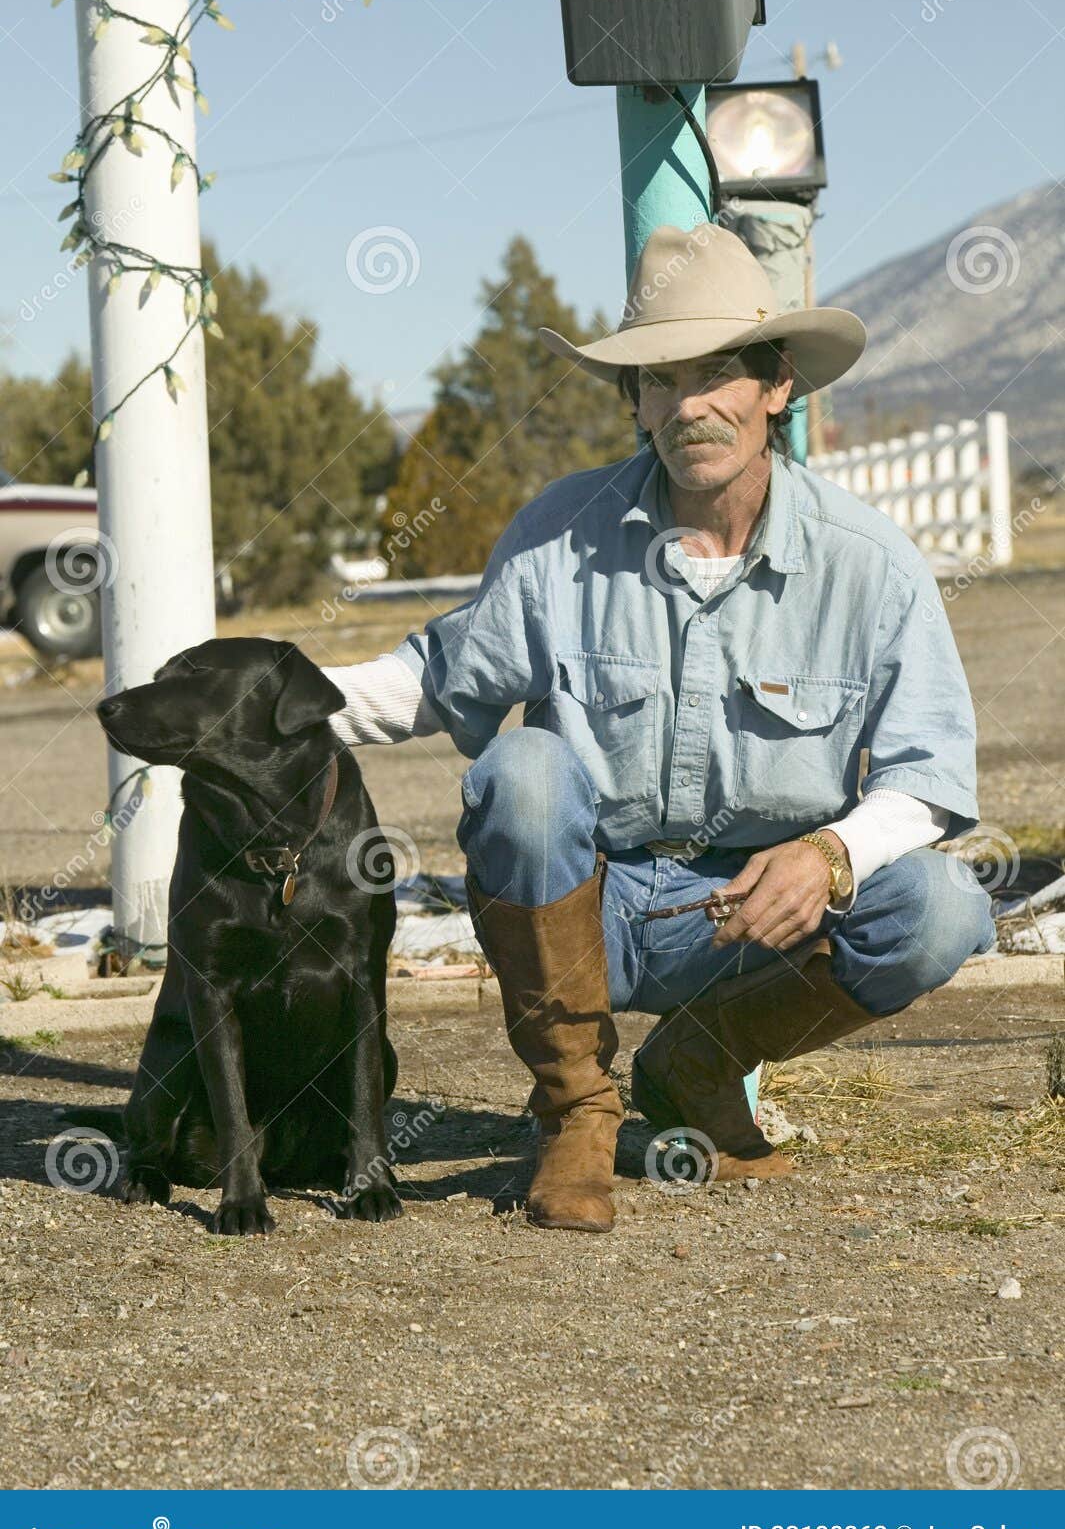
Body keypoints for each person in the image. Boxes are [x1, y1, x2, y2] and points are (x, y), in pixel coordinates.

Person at [323, 222, 996, 1235]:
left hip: (758, 921)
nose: (690, 406)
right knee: (526, 769)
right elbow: (434, 678)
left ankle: (698, 1063)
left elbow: (931, 777)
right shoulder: (561, 531)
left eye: (718, 372)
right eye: (658, 379)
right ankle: (577, 1110)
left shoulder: (873, 564)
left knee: (943, 905)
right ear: (633, 402)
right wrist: (269, 694)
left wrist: (826, 852)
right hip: (591, 912)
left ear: (778, 385)